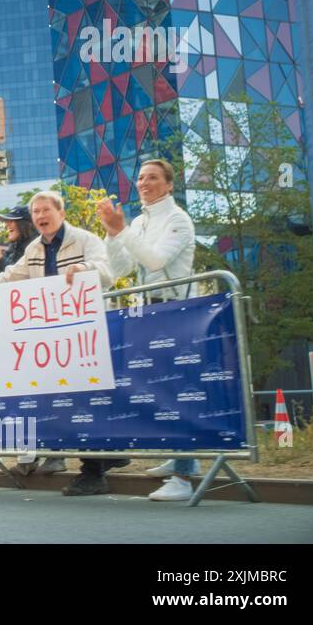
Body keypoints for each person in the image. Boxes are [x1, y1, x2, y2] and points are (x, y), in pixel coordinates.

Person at [0, 190, 118, 495]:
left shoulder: (85, 240)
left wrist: (85, 269)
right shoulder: (34, 248)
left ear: (61, 212)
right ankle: (104, 459)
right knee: (67, 402)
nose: (40, 216)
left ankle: (95, 470)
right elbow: (13, 276)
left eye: (45, 209)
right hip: (52, 339)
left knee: (87, 400)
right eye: (35, 212)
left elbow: (107, 273)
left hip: (83, 333)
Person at [97, 158, 198, 501]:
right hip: (147, 309)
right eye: (140, 177)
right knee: (163, 389)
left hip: (175, 308)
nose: (144, 182)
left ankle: (184, 477)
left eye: (153, 177)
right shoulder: (139, 221)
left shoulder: (178, 220)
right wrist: (112, 233)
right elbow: (120, 268)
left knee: (179, 389)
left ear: (169, 184)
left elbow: (155, 261)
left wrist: (122, 230)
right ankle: (178, 458)